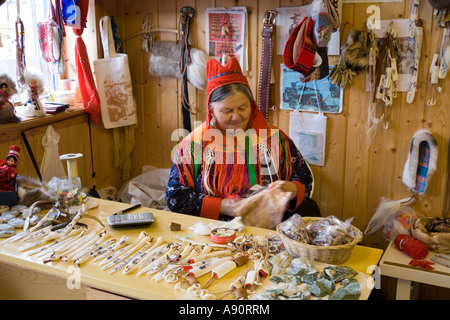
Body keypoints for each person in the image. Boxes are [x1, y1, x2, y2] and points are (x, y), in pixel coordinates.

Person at [166, 57, 314, 221]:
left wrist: (291, 188)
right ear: (211, 109)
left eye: (243, 108)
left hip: (269, 230)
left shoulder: (274, 139)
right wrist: (226, 207)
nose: (237, 117)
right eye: (227, 110)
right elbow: (176, 197)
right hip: (213, 231)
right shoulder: (194, 144)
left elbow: (304, 176)